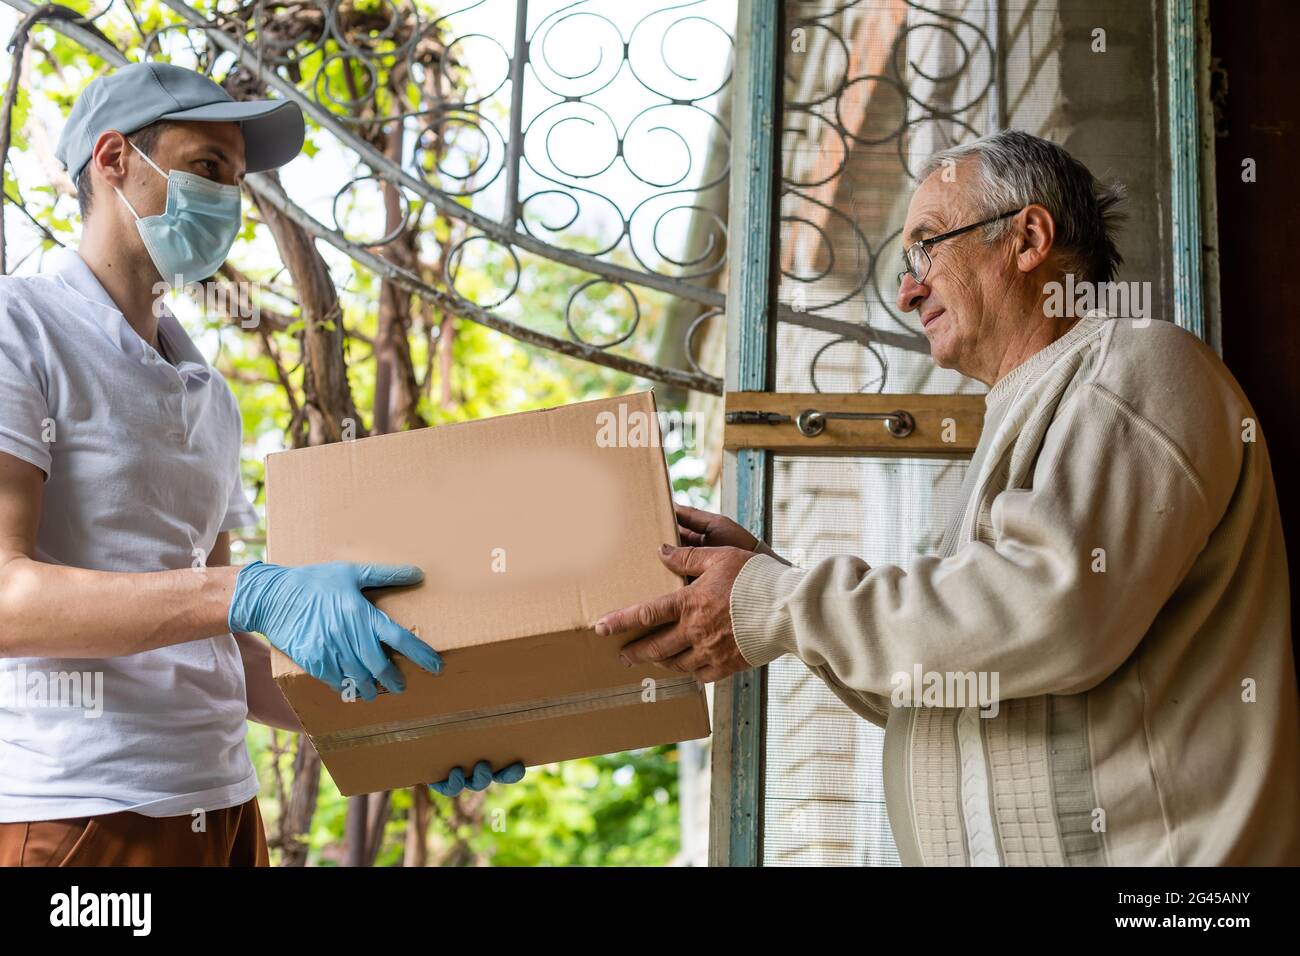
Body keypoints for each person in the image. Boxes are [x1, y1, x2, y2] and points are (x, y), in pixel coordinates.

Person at [597, 129, 1300, 866]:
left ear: (1028, 238)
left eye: (928, 246)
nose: (907, 289)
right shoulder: (1037, 407)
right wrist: (772, 590)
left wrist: (780, 601)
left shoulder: (1137, 366)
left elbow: (1053, 614)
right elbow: (958, 675)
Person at [0, 62, 519, 867]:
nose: (226, 204)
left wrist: (416, 734)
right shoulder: (18, 330)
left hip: (226, 809)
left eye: (236, 182)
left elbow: (221, 639)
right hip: (82, 816)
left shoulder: (205, 389)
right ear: (112, 161)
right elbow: (6, 600)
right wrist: (253, 588)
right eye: (207, 168)